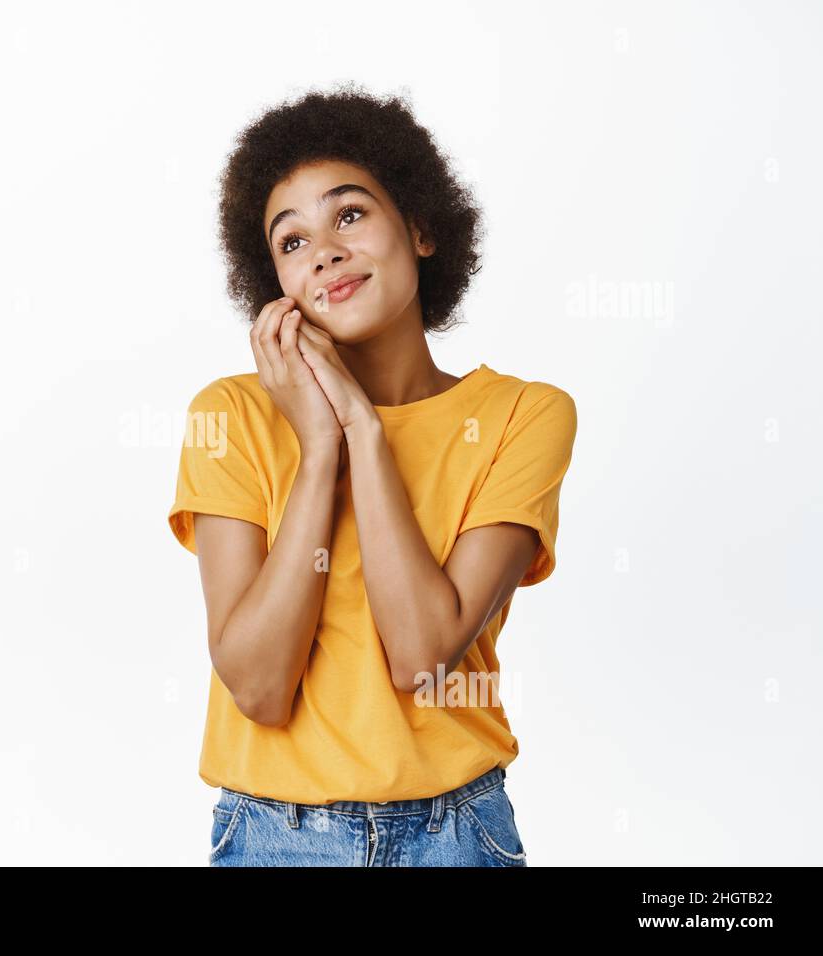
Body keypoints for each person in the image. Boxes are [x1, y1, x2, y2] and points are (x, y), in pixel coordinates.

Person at [167, 85, 578, 866]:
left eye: (348, 215)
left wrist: (362, 429)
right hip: (270, 838)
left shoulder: (525, 414)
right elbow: (258, 688)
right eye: (291, 242)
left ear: (421, 227)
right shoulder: (230, 417)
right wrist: (320, 450)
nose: (322, 251)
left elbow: (421, 657)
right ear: (277, 286)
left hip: (457, 836)